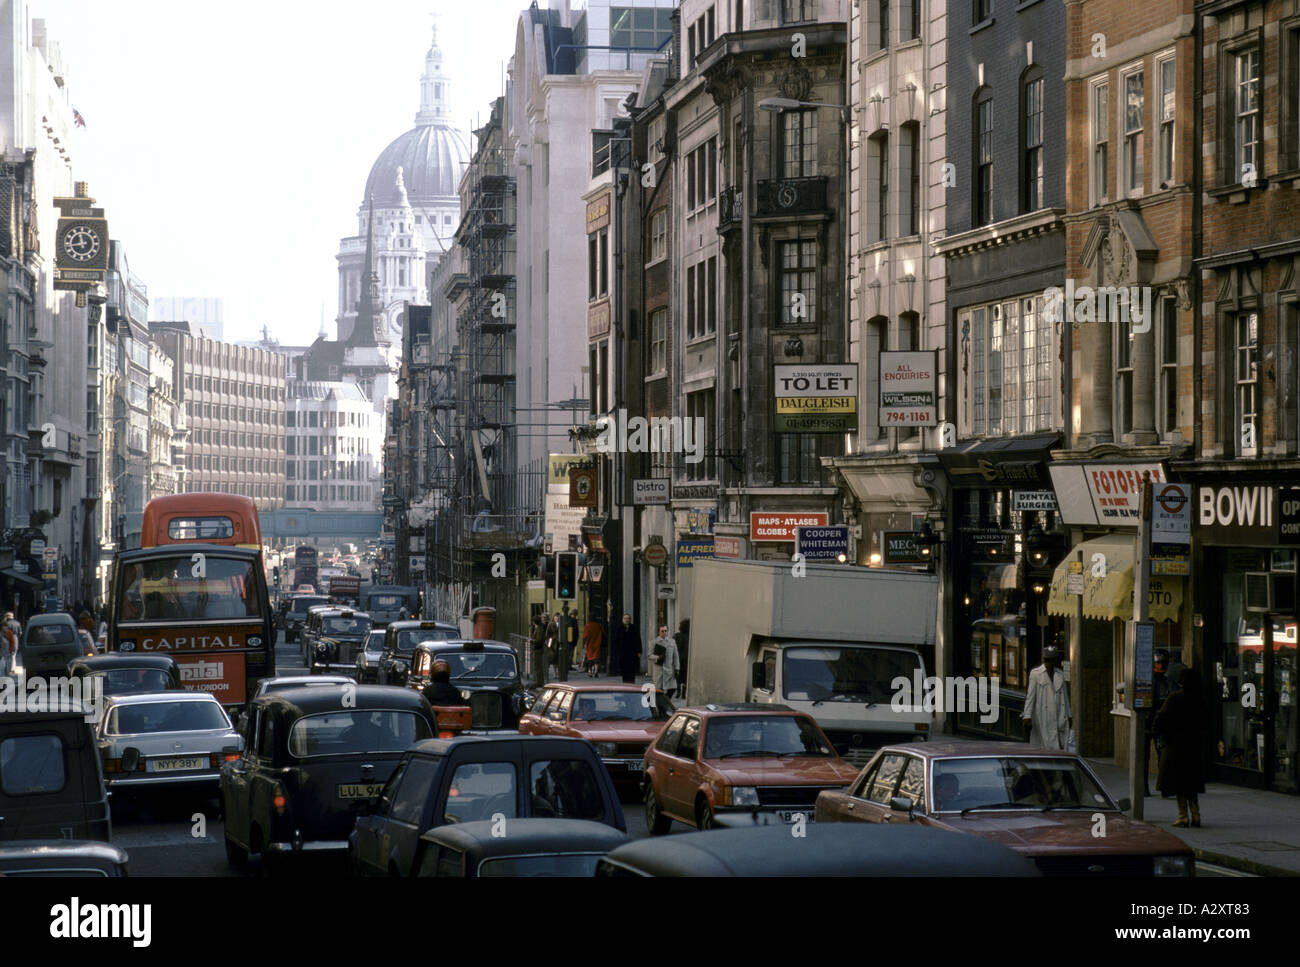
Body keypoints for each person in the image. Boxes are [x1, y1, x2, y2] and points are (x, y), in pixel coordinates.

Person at [1153, 667, 1207, 828]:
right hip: (1194, 746)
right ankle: (1196, 814)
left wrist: (1160, 733)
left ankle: (1183, 816)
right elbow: (1206, 722)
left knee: (1179, 783)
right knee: (1192, 783)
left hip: (1176, 745)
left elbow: (1160, 719)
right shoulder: (1200, 700)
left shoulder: (1174, 698)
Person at [1022, 644, 1071, 750]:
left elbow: (1065, 698)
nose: (1049, 663)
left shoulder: (1060, 675)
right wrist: (1027, 715)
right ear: (1044, 659)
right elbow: (1030, 696)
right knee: (1044, 746)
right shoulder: (1036, 674)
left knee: (1059, 746)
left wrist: (1069, 714)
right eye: (1047, 660)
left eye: (1051, 660)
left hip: (1059, 716)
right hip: (1043, 716)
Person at [610, 613, 642, 684]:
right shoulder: (619, 628)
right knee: (624, 669)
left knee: (631, 668)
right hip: (623, 652)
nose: (626, 620)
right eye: (625, 618)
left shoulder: (634, 628)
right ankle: (625, 682)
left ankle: (631, 681)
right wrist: (616, 651)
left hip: (632, 652)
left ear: (630, 620)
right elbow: (616, 640)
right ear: (622, 620)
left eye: (628, 618)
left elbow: (638, 639)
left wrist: (639, 651)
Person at [649, 625, 680, 694]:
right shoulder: (654, 642)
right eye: (662, 631)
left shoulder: (672, 642)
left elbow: (676, 656)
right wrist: (658, 657)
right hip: (659, 669)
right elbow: (649, 655)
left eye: (665, 631)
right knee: (659, 689)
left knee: (673, 688)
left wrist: (677, 668)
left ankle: (666, 700)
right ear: (659, 632)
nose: (664, 632)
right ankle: (660, 703)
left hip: (669, 669)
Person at [556, 605, 576, 683]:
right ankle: (564, 673)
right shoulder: (571, 620)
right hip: (567, 642)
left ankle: (564, 673)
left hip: (565, 642)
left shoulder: (561, 619)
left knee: (565, 658)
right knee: (566, 657)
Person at [529, 614, 548, 688]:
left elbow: (539, 640)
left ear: (535, 622)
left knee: (538, 667)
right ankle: (539, 681)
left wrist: (532, 641)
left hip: (538, 649)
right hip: (537, 649)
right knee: (537, 666)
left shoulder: (539, 629)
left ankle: (539, 682)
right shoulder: (538, 628)